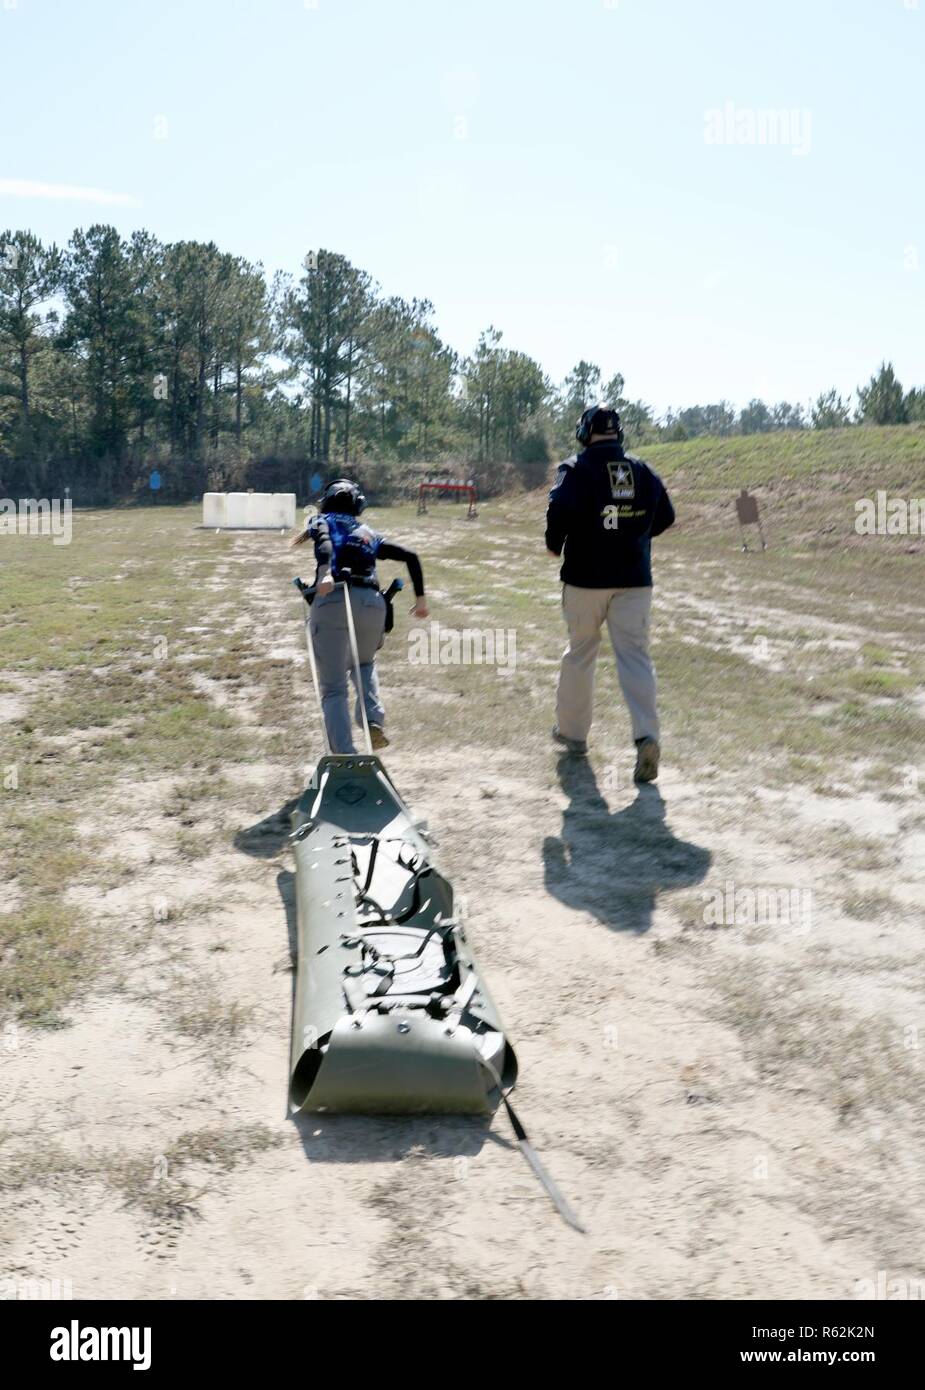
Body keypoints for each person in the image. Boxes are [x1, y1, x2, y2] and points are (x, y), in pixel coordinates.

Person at [545, 405, 675, 781]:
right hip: (635, 579)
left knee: (581, 654)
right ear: (619, 433)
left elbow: (557, 512)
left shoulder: (575, 468)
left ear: (584, 432)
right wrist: (632, 538)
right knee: (635, 657)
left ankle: (572, 734)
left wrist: (556, 544)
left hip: (586, 580)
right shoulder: (643, 469)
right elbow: (665, 517)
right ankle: (647, 737)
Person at [292, 478, 428, 753]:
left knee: (334, 688)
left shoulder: (321, 520)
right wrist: (420, 601)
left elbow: (326, 544)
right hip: (372, 605)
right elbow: (411, 556)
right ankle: (372, 720)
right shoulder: (368, 532)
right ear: (358, 505)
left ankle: (345, 755)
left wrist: (327, 572)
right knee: (363, 665)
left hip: (333, 600)